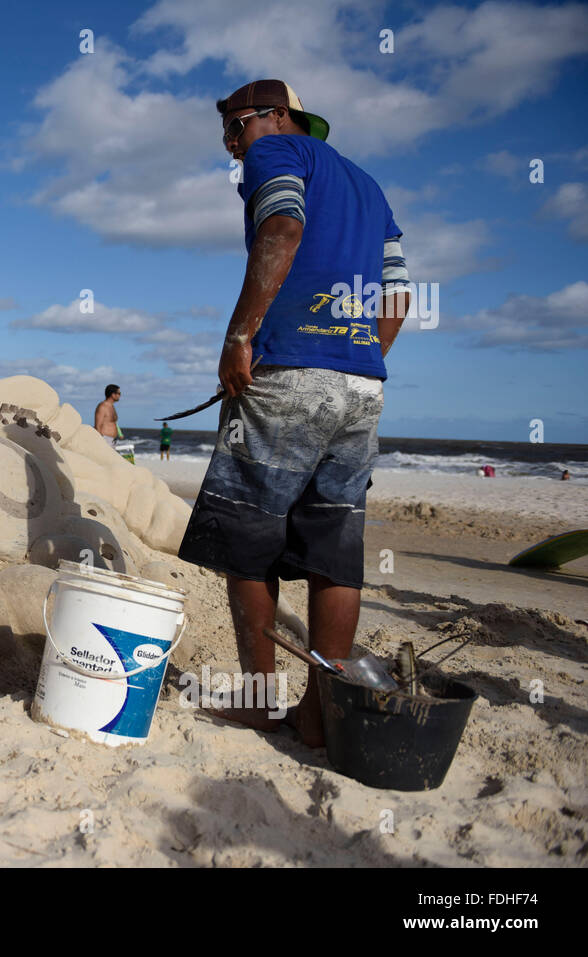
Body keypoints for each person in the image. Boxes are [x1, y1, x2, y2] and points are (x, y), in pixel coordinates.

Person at [176, 80, 412, 747]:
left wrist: (240, 336)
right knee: (334, 551)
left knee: (245, 544)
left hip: (288, 378)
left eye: (236, 128)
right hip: (362, 386)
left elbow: (281, 227)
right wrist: (356, 352)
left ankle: (258, 704)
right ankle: (319, 714)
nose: (232, 146)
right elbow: (397, 297)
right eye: (228, 136)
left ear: (279, 117)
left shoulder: (276, 153)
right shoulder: (369, 187)